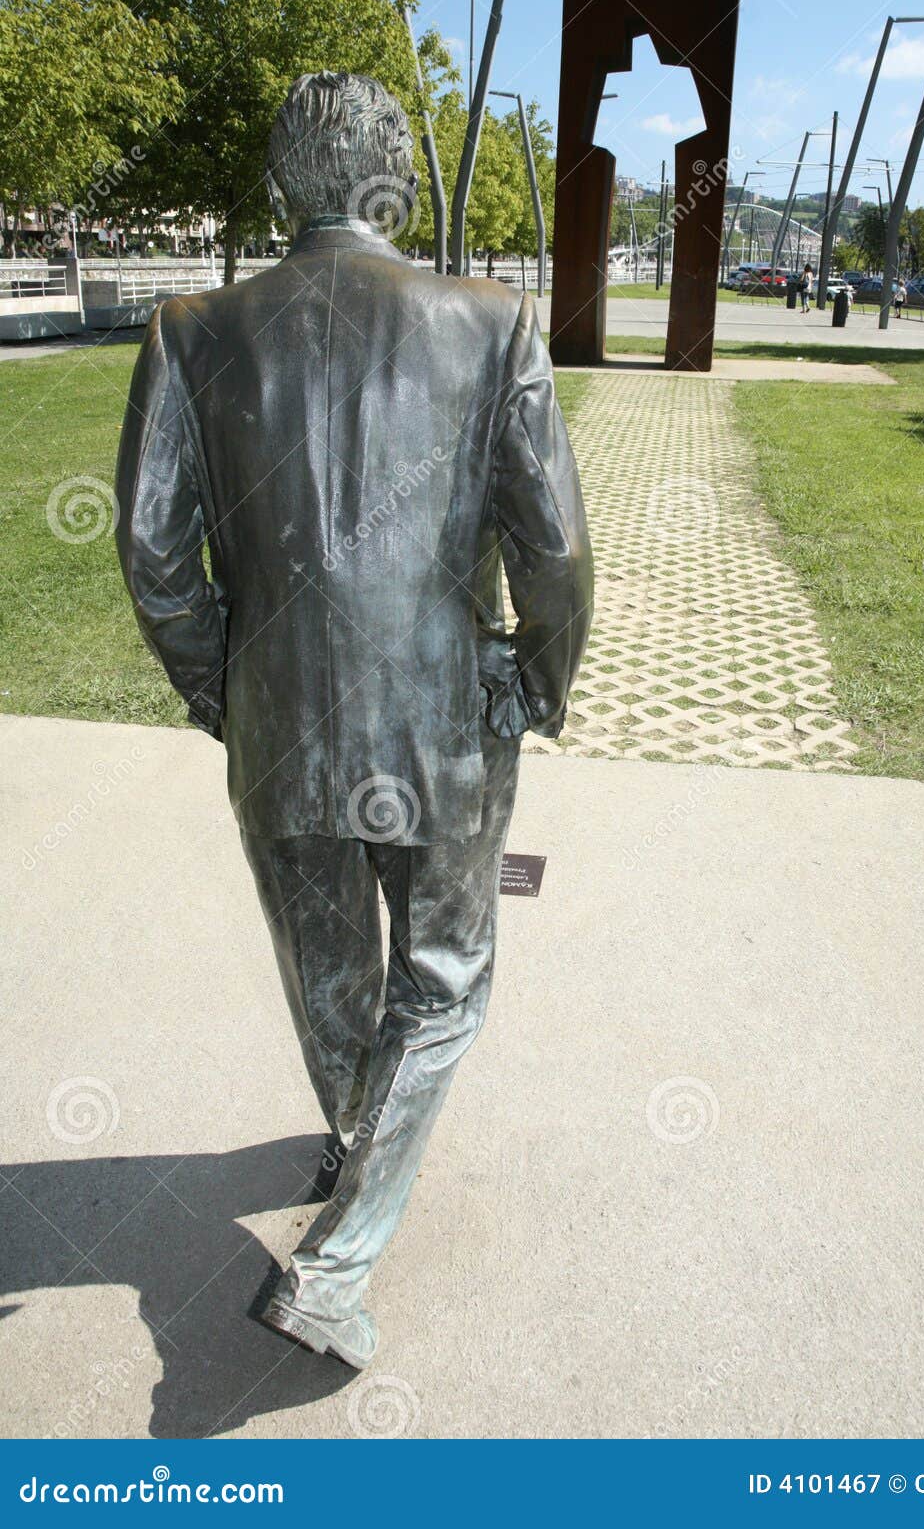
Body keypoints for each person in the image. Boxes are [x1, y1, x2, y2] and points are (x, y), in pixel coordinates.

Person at [115, 71, 594, 1371]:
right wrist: (536, 680)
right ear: (389, 181)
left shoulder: (190, 330)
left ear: (281, 186)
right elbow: (553, 548)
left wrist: (230, 692)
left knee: (333, 974)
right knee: (443, 980)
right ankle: (334, 1258)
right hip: (442, 733)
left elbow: (154, 554)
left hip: (284, 732)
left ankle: (356, 1141)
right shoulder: (491, 322)